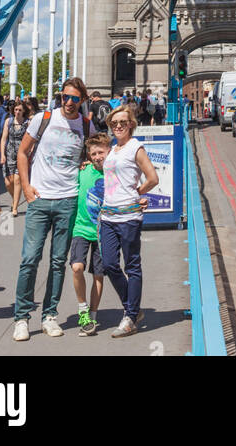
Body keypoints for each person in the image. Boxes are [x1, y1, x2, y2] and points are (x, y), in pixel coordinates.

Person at [12, 75, 90, 341]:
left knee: (58, 262)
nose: (68, 102)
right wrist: (26, 186)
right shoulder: (43, 119)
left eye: (74, 98)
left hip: (68, 199)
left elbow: (93, 158)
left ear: (82, 101)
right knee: (30, 259)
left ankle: (49, 316)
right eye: (65, 97)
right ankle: (22, 318)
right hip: (40, 199)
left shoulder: (86, 125)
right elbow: (22, 153)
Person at [98, 105, 159, 337]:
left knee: (132, 265)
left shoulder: (136, 148)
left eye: (123, 122)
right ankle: (132, 306)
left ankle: (131, 316)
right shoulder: (113, 150)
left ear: (131, 124)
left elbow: (153, 178)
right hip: (108, 216)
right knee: (110, 264)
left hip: (129, 217)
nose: (118, 126)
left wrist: (138, 192)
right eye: (114, 123)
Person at [70, 133, 109, 336]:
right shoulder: (83, 171)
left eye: (100, 152)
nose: (96, 157)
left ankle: (92, 316)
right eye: (93, 153)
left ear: (109, 151)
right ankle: (83, 309)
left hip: (104, 232)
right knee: (77, 267)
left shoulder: (114, 172)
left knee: (98, 274)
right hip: (81, 228)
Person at [0, 99, 31, 217]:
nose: (17, 112)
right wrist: (2, 154)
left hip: (22, 153)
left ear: (23, 112)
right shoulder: (9, 121)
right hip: (9, 152)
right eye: (16, 110)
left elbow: (31, 139)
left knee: (18, 180)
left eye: (19, 110)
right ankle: (15, 198)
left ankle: (15, 207)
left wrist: (30, 152)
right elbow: (3, 139)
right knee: (8, 182)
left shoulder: (27, 123)